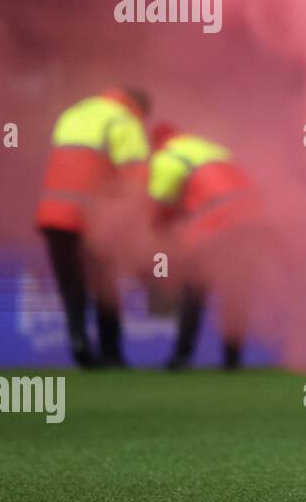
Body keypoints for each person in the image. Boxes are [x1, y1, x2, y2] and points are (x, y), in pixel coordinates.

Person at [35, 88, 151, 368]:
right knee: (106, 285)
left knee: (72, 285)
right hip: (93, 219)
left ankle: (79, 342)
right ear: (139, 109)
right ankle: (111, 354)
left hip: (53, 214)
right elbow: (136, 180)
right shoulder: (124, 122)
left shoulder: (72, 114)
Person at [147, 125, 262, 369]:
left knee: (195, 289)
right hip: (252, 219)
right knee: (236, 292)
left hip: (213, 223)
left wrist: (161, 238)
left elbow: (159, 207)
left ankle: (182, 357)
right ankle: (232, 360)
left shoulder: (166, 157)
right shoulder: (212, 149)